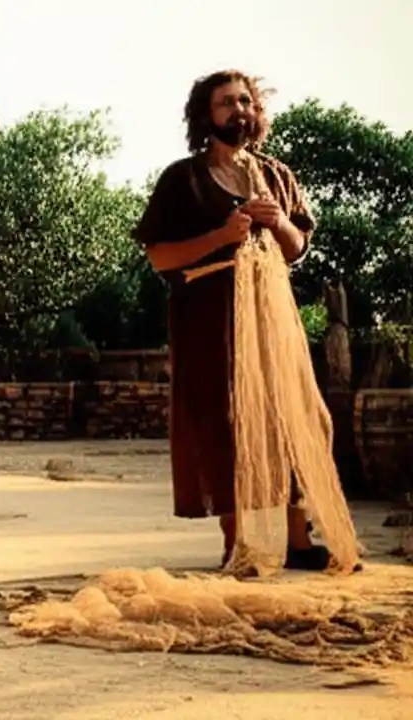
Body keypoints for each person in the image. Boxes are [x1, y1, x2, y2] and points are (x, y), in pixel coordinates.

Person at [133, 69, 360, 577]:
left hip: (272, 318)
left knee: (297, 416)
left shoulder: (277, 175)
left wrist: (277, 221)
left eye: (245, 101)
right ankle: (238, 544)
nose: (239, 110)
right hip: (208, 320)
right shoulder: (183, 179)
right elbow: (160, 257)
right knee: (223, 421)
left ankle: (299, 540)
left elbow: (296, 250)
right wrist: (221, 236)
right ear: (205, 114)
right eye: (226, 102)